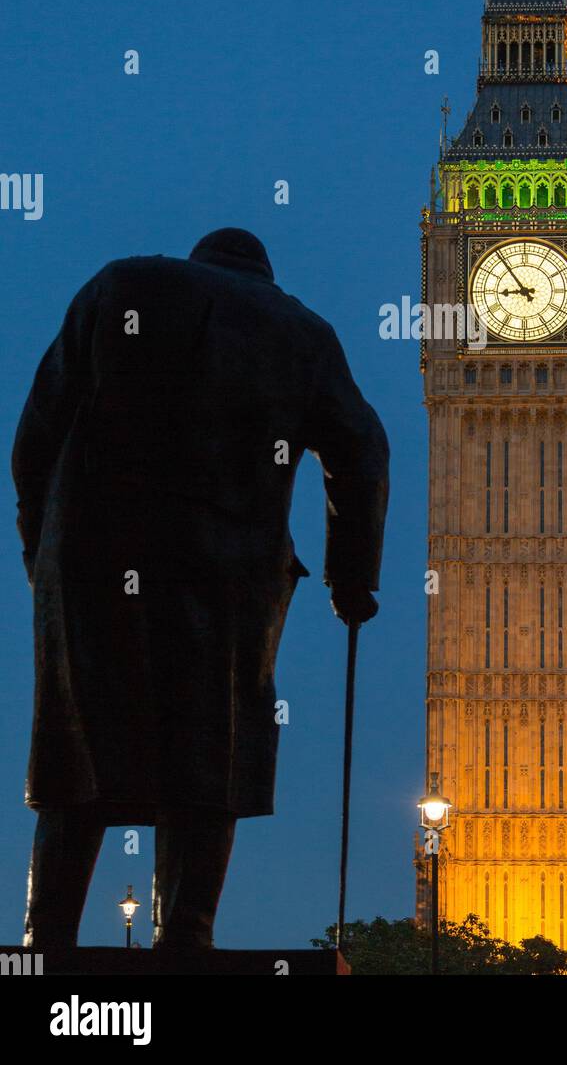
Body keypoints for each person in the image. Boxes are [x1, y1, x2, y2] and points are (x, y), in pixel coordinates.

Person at [12, 228, 389, 950]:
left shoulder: (117, 284)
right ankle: (185, 938)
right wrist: (353, 581)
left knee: (79, 741)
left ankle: (43, 942)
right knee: (210, 748)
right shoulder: (300, 332)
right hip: (226, 571)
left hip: (93, 560)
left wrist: (41, 553)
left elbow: (35, 434)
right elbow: (363, 451)